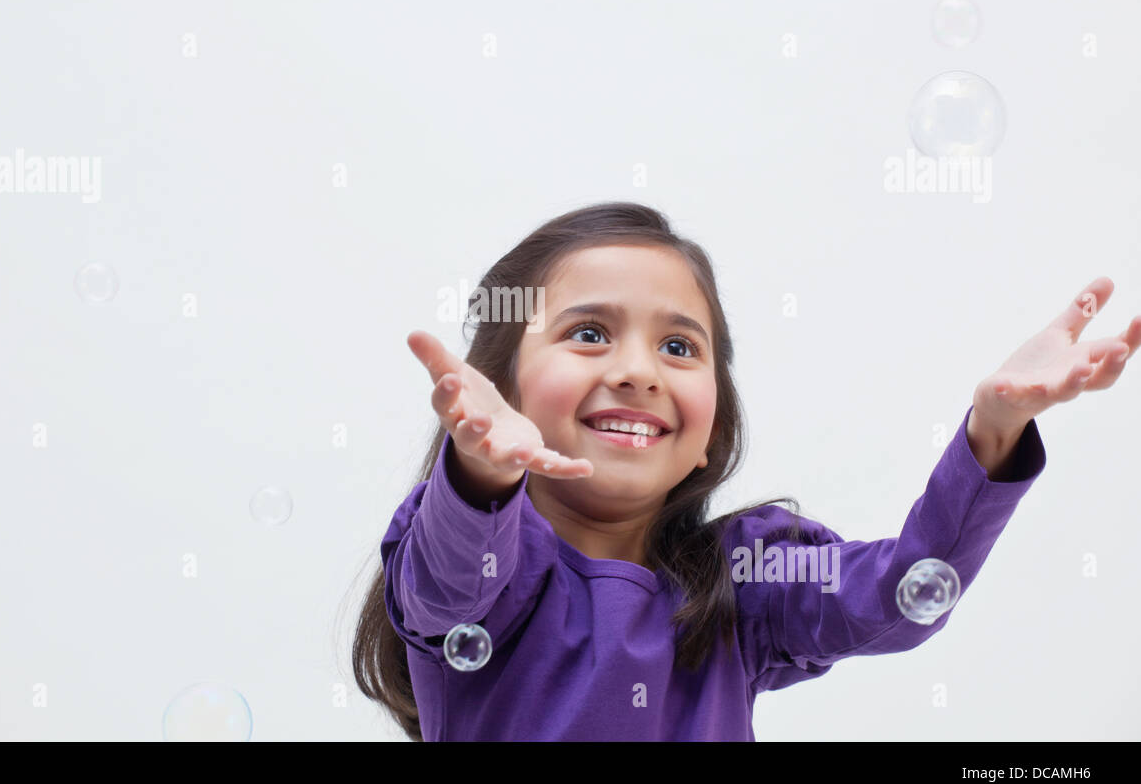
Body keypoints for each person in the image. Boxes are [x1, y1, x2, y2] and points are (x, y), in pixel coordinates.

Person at [351, 201, 1138, 740]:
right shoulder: (483, 570)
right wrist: (478, 474)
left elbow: (903, 593)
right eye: (588, 333)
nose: (638, 370)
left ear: (711, 430)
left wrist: (995, 428)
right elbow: (448, 581)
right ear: (501, 391)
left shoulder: (743, 581)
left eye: (679, 346)